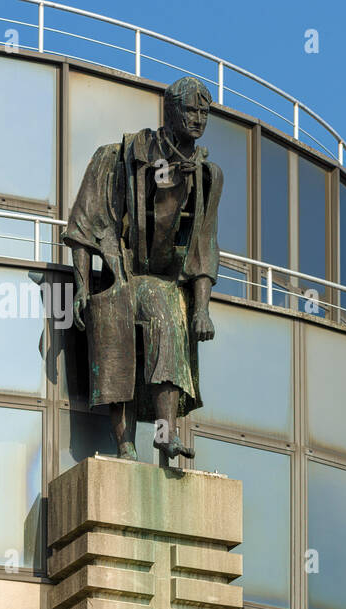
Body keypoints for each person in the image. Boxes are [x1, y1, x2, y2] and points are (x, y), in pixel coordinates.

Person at [64, 76, 224, 462]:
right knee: (116, 336)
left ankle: (165, 435)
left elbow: (204, 247)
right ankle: (125, 446)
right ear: (171, 112)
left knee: (168, 317)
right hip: (118, 276)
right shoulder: (117, 158)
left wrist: (201, 307)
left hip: (161, 282)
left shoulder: (206, 177)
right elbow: (85, 226)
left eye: (205, 112)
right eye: (191, 110)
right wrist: (82, 286)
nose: (199, 118)